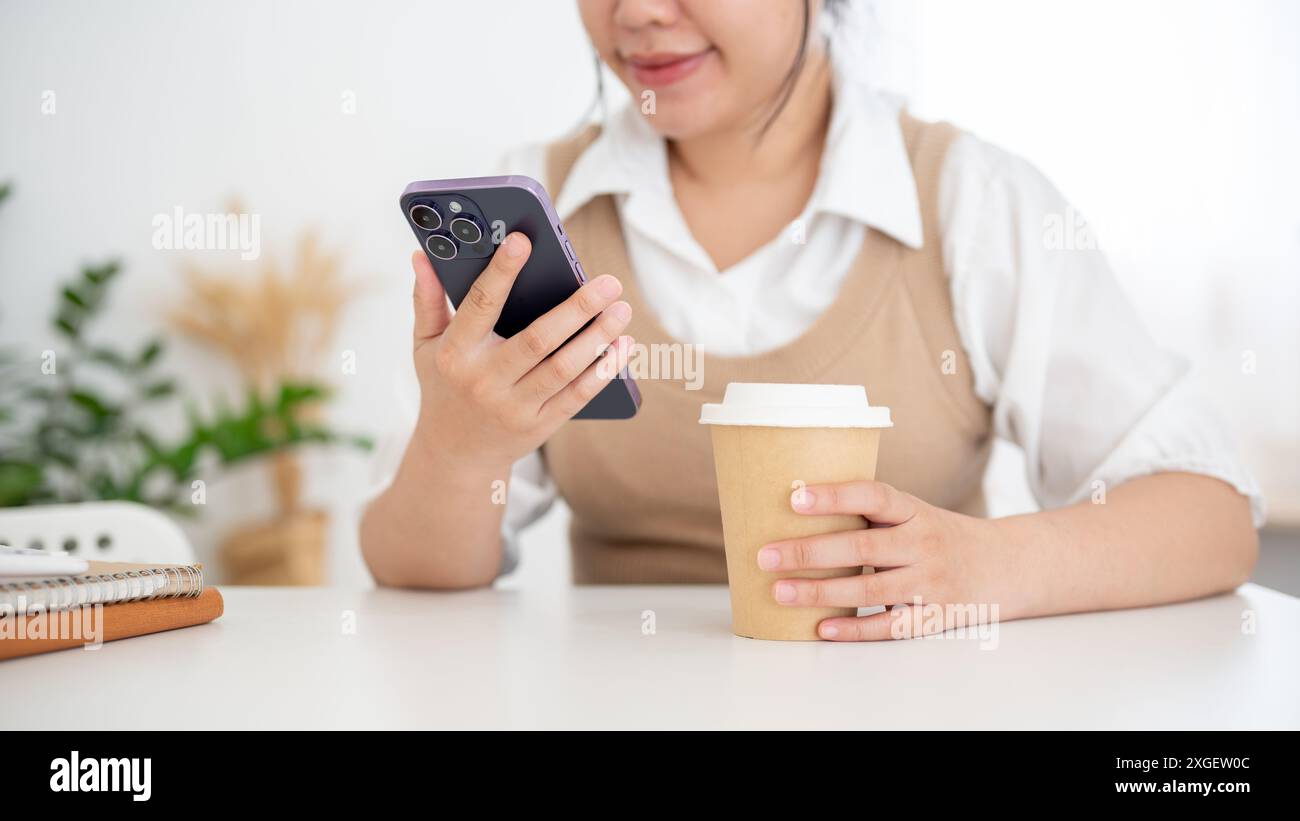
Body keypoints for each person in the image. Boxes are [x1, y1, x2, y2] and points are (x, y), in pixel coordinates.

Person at [361, 0, 1262, 641]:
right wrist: (460, 448)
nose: (634, 12)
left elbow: (1211, 517)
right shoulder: (540, 215)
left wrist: (988, 566)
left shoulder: (971, 203)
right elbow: (411, 569)